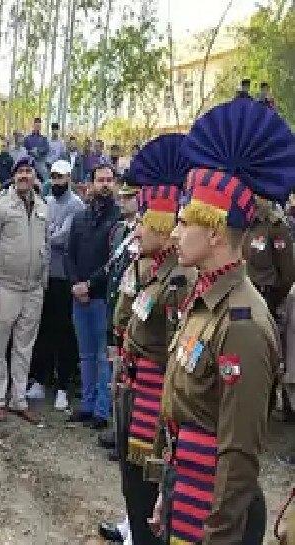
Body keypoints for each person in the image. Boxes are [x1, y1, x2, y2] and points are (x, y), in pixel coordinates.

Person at [148, 98, 295, 545]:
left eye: (184, 222)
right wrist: (165, 493)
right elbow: (183, 407)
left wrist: (218, 535)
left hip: (213, 515)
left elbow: (239, 454)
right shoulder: (204, 300)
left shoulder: (243, 322)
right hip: (186, 489)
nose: (173, 232)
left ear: (214, 232)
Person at [98, 134, 193, 545]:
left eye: (144, 219)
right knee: (132, 482)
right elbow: (124, 318)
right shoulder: (144, 266)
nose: (136, 226)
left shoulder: (177, 280)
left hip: (155, 397)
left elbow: (175, 354)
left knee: (149, 487)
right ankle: (133, 526)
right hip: (132, 384)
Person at [0, 156, 48, 424]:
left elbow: (47, 246)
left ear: (34, 176)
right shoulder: (0, 205)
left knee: (24, 348)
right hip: (5, 288)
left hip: (33, 290)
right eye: (20, 172)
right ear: (14, 176)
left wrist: (43, 284)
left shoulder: (43, 206)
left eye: (28, 172)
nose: (24, 176)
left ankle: (18, 399)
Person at [65, 162, 121, 430]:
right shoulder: (79, 218)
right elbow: (68, 254)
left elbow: (115, 261)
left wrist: (90, 284)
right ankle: (86, 405)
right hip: (79, 297)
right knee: (84, 355)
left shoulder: (119, 221)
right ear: (91, 184)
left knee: (102, 356)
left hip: (102, 298)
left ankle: (101, 409)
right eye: (101, 180)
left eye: (110, 179)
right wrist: (76, 283)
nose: (105, 184)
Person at [28, 159, 84, 409]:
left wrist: (46, 234)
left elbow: (62, 237)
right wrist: (48, 234)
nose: (56, 181)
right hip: (43, 275)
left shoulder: (76, 205)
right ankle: (40, 380)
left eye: (61, 177)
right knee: (42, 329)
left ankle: (62, 386)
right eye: (53, 177)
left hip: (63, 278)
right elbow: (40, 232)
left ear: (69, 178)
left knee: (63, 332)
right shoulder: (46, 202)